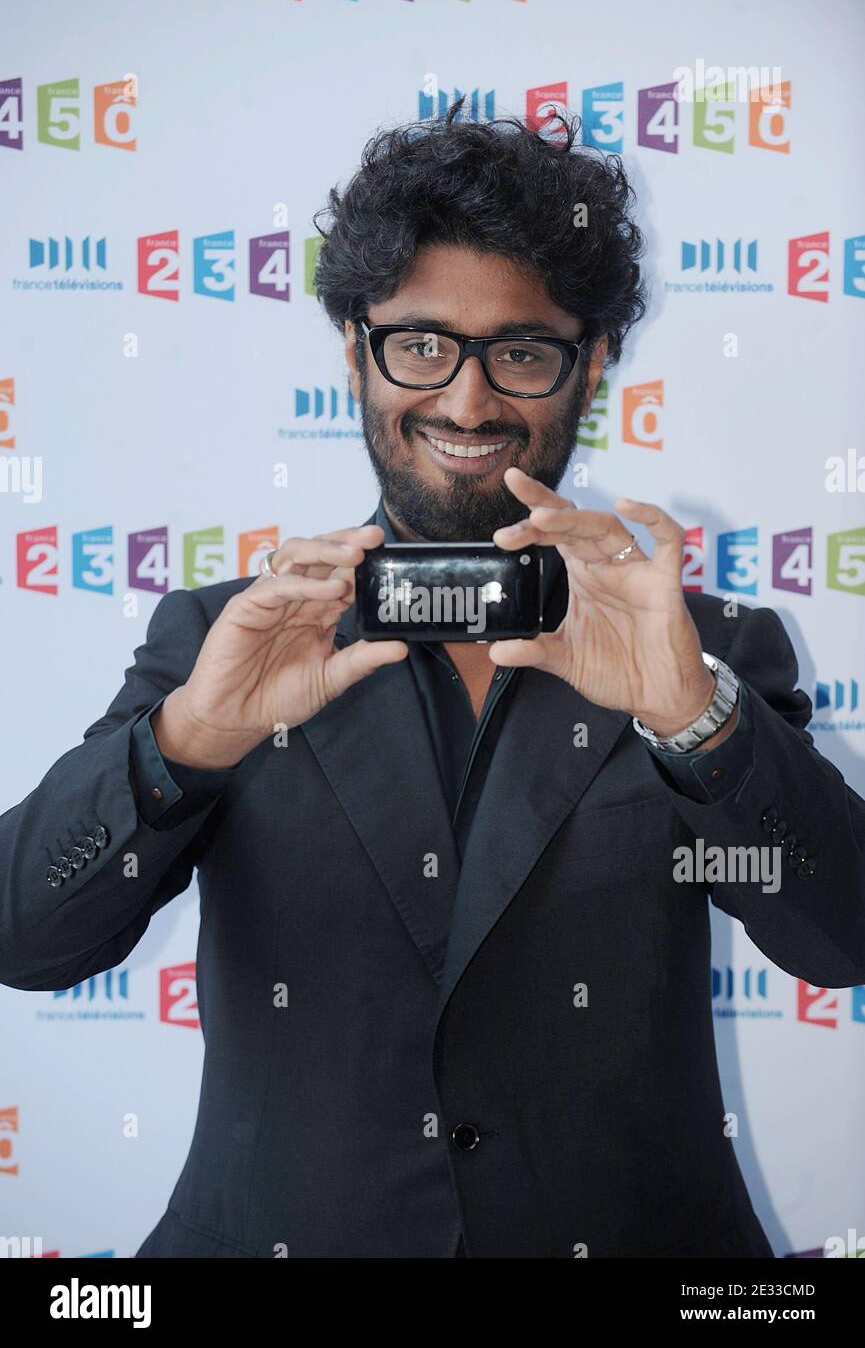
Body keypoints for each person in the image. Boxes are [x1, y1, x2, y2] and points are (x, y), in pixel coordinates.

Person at [1, 100, 863, 1259]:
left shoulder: (698, 644)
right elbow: (27, 939)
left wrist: (695, 719)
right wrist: (189, 738)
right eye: (420, 344)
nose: (466, 402)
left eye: (520, 350)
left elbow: (845, 941)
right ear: (353, 348)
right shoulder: (223, 641)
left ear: (592, 362)